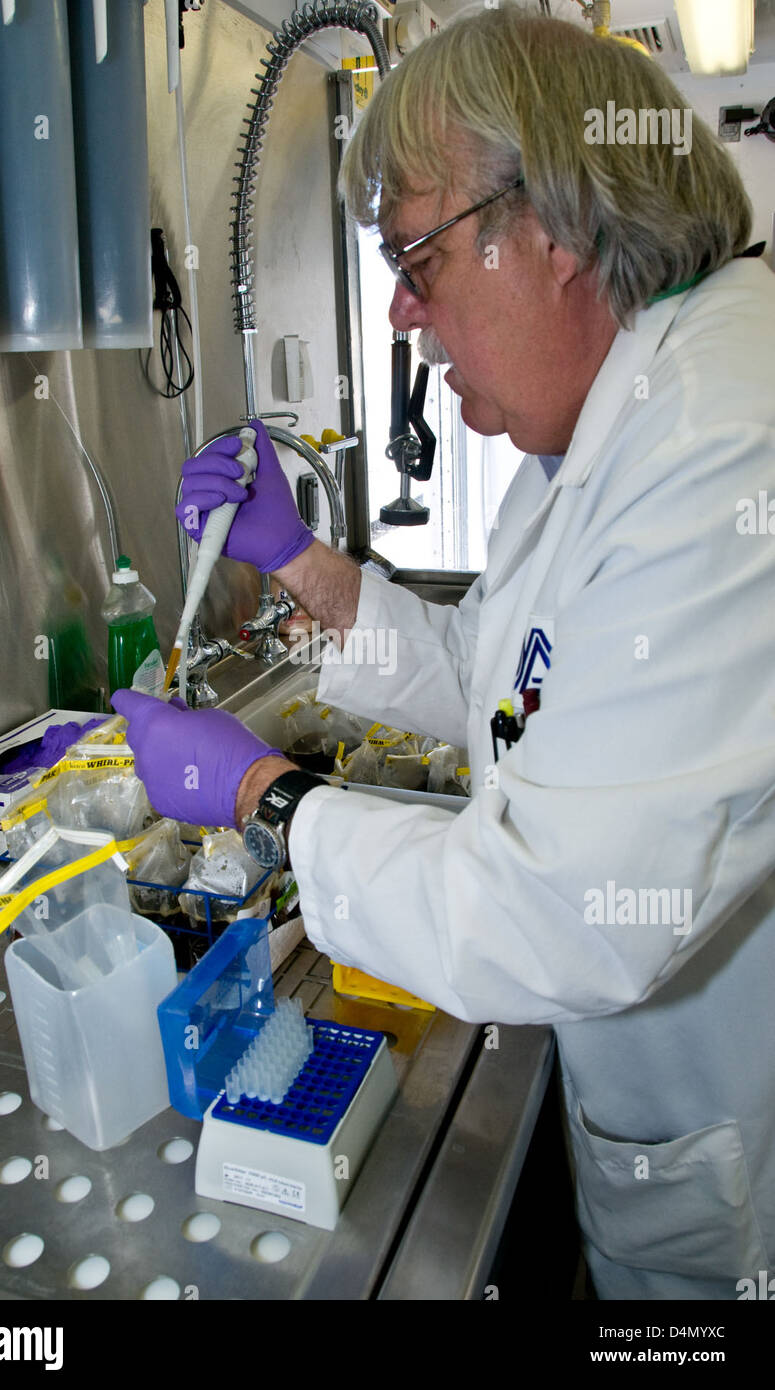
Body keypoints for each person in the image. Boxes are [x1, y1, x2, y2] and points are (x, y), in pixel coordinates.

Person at [112, 7, 775, 1300]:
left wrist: (266, 798)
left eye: (417, 257)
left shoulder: (721, 442)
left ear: (558, 228)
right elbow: (502, 680)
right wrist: (303, 562)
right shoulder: (609, 418)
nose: (406, 315)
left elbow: (561, 907)